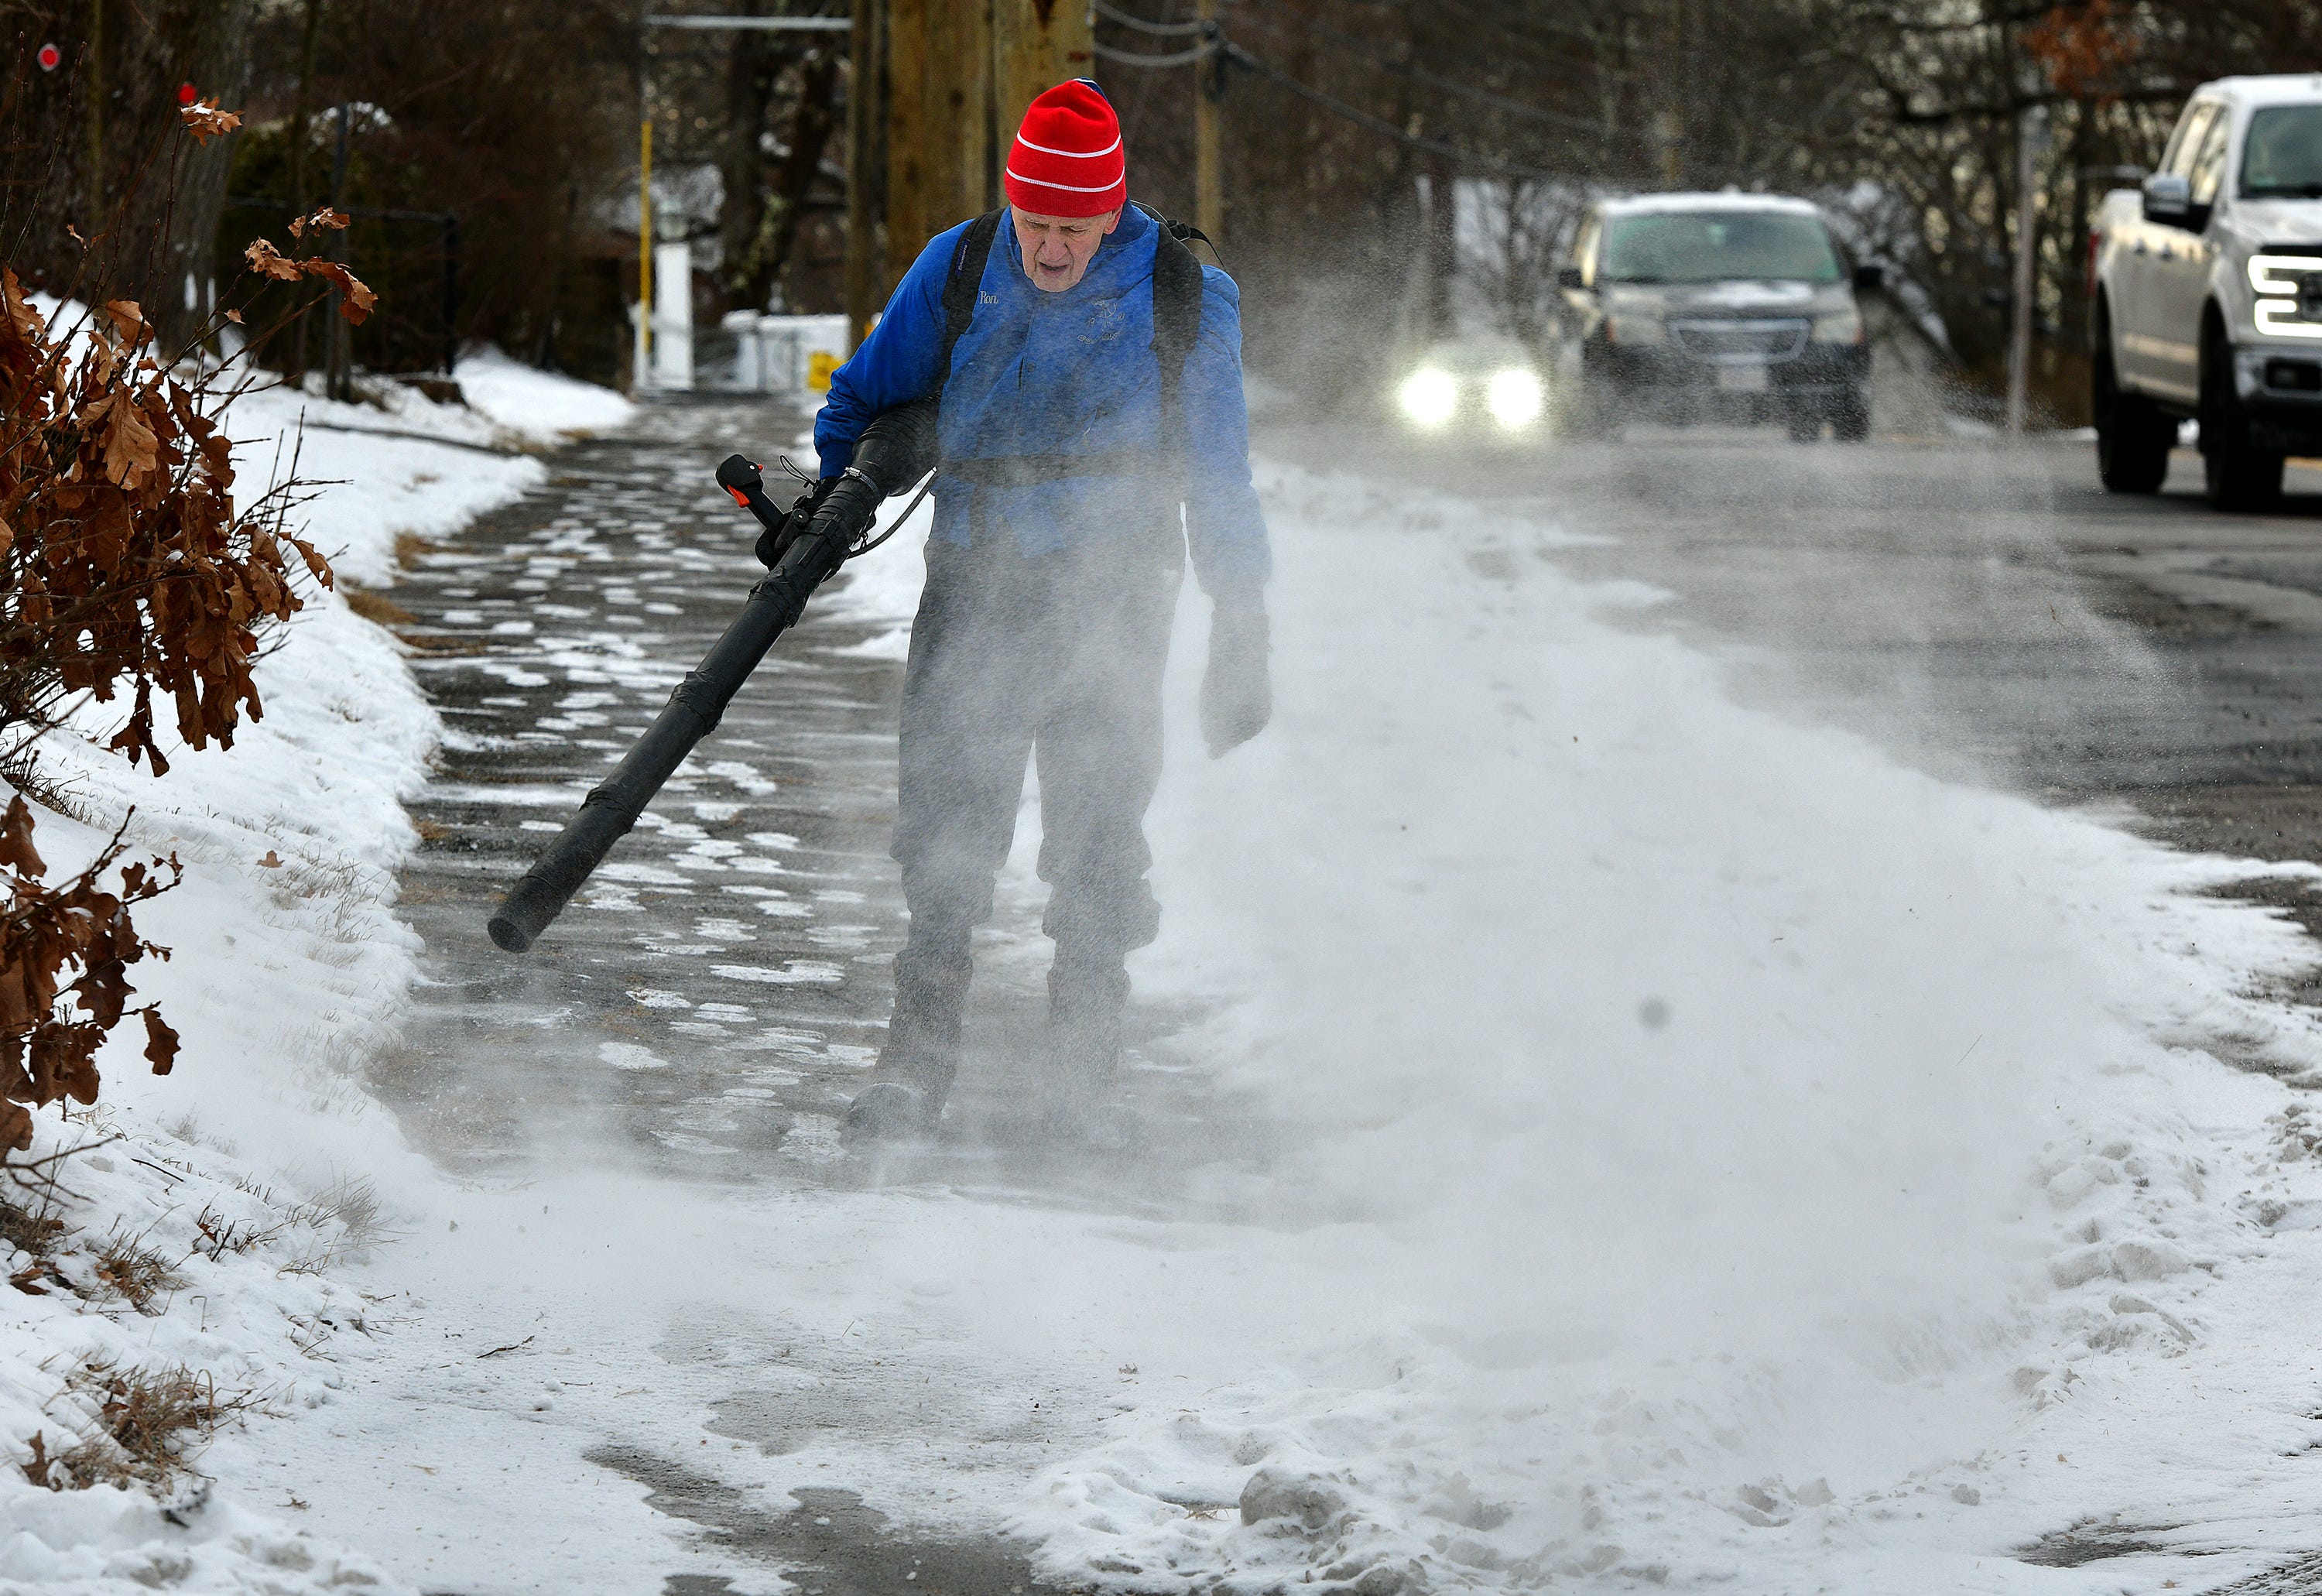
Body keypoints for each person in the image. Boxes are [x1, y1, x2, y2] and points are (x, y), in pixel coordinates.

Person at [813, 77, 1272, 1142]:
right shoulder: (960, 265)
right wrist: (834, 505)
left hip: (1119, 596)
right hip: (974, 585)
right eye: (1035, 222)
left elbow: (1219, 472)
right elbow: (860, 398)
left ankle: (1081, 1080)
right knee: (945, 829)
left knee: (1100, 832)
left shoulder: (1184, 295)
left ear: (1111, 211)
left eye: (1072, 228)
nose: (1050, 249)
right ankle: (913, 1067)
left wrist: (1242, 621)